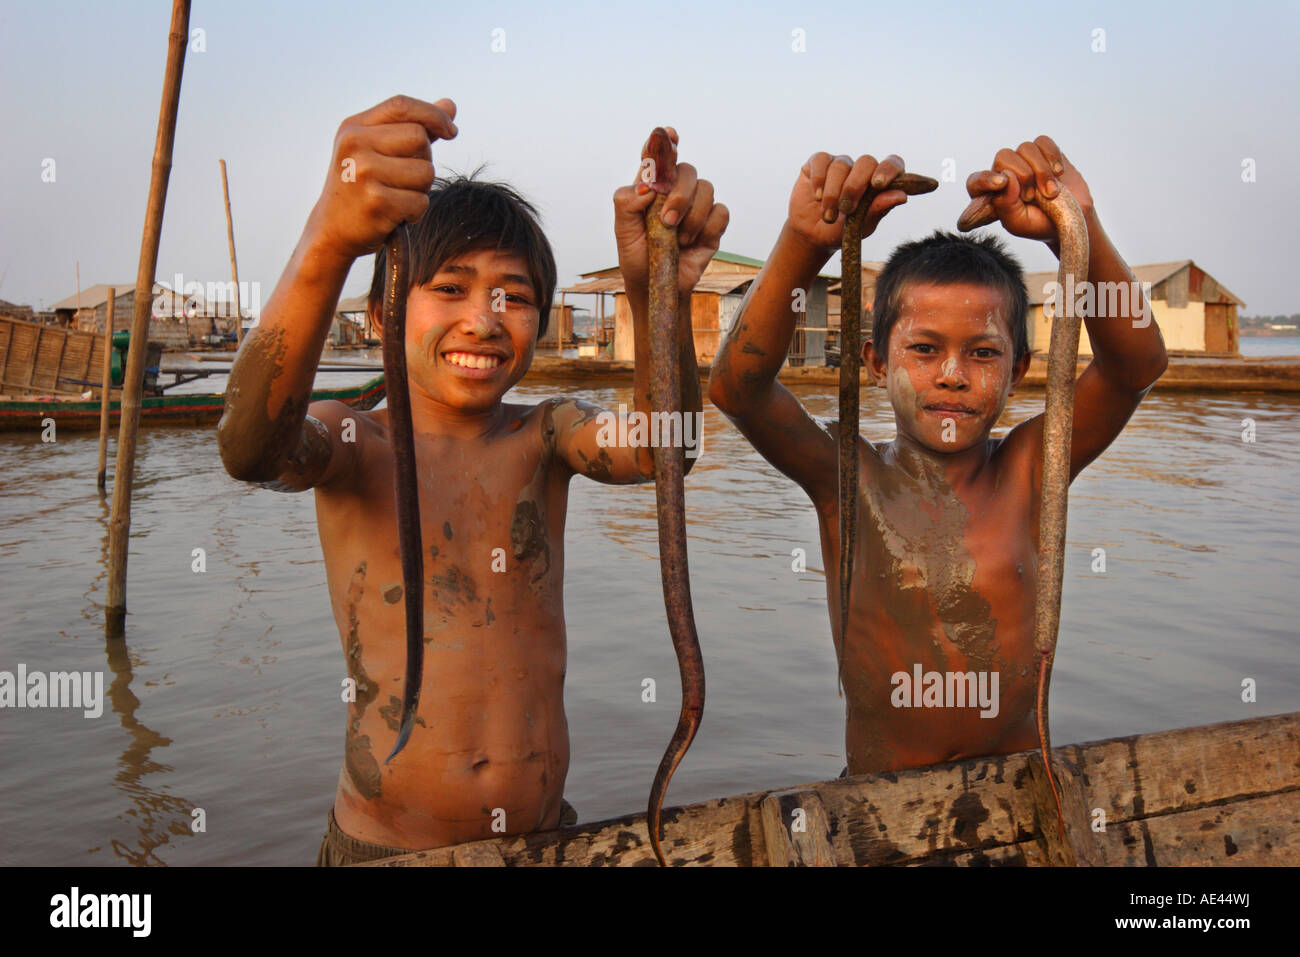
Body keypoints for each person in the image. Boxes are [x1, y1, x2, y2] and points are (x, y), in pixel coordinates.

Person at [216, 95, 727, 863]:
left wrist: (656, 289)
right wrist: (329, 239)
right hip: (387, 848)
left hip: (547, 836)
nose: (485, 319)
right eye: (449, 288)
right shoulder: (355, 440)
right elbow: (251, 448)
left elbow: (666, 452)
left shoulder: (547, 431)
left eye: (514, 297)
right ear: (385, 314)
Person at [708, 136, 1167, 775]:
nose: (952, 375)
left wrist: (1076, 230)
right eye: (923, 349)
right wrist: (806, 242)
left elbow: (1135, 367)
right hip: (878, 805)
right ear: (872, 362)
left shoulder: (1033, 467)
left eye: (982, 354)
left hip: (1022, 799)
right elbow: (736, 389)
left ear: (1019, 372)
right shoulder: (848, 477)